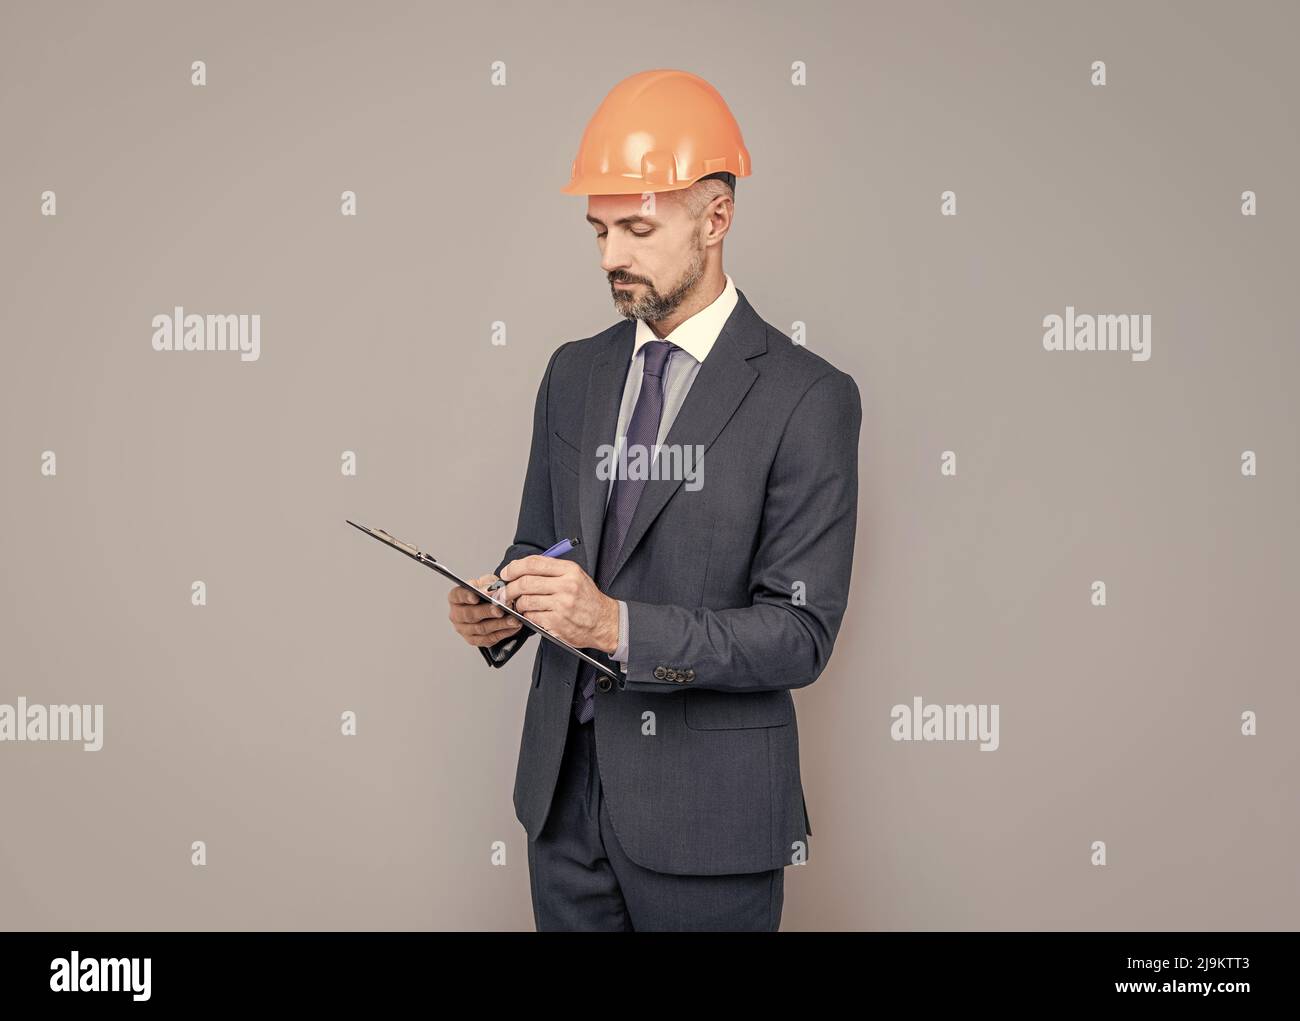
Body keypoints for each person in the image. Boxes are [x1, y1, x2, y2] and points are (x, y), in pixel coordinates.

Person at [446, 68, 861, 931]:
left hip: (711, 821)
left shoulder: (807, 397)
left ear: (716, 219)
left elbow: (798, 632)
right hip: (562, 803)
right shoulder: (573, 372)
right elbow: (541, 545)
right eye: (597, 230)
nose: (610, 257)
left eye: (636, 228)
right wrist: (504, 603)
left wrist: (616, 627)